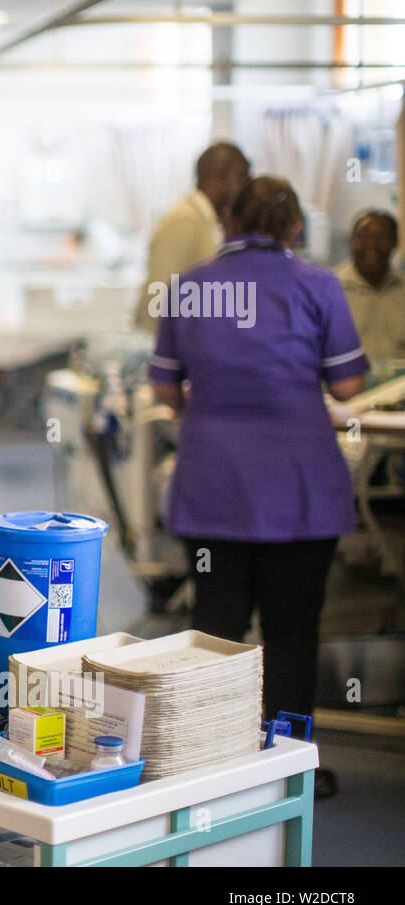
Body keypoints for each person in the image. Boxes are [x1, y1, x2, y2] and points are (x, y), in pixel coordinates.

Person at [148, 176, 367, 799]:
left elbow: (165, 389)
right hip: (300, 483)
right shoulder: (320, 285)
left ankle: (211, 765)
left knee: (216, 628)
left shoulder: (186, 290)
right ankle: (291, 763)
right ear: (295, 227)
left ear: (228, 222)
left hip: (212, 480)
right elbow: (348, 386)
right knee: (293, 630)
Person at [135, 142, 251, 332]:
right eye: (242, 177)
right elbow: (157, 297)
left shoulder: (207, 220)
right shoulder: (185, 220)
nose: (244, 188)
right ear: (223, 175)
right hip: (169, 350)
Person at [336, 209, 405, 362]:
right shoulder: (329, 291)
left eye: (381, 237)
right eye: (363, 236)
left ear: (395, 242)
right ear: (351, 241)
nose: (371, 244)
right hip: (346, 384)